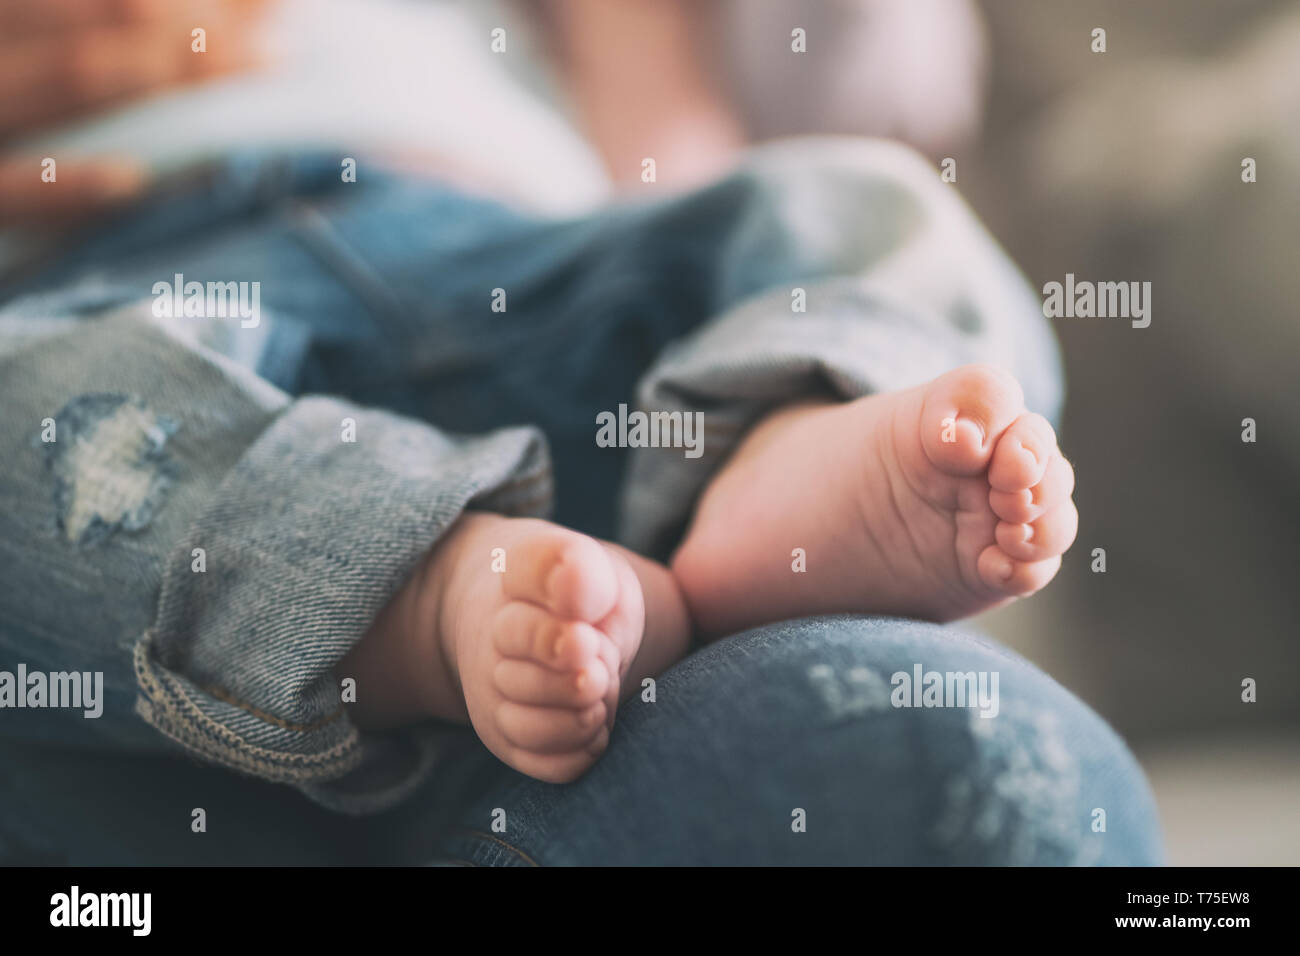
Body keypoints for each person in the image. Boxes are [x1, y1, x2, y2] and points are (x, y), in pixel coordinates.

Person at [0, 1, 1161, 865]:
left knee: (856, 206)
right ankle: (411, 599)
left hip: (513, 250)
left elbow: (801, 95)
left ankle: (779, 432)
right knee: (44, 422)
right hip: (114, 319)